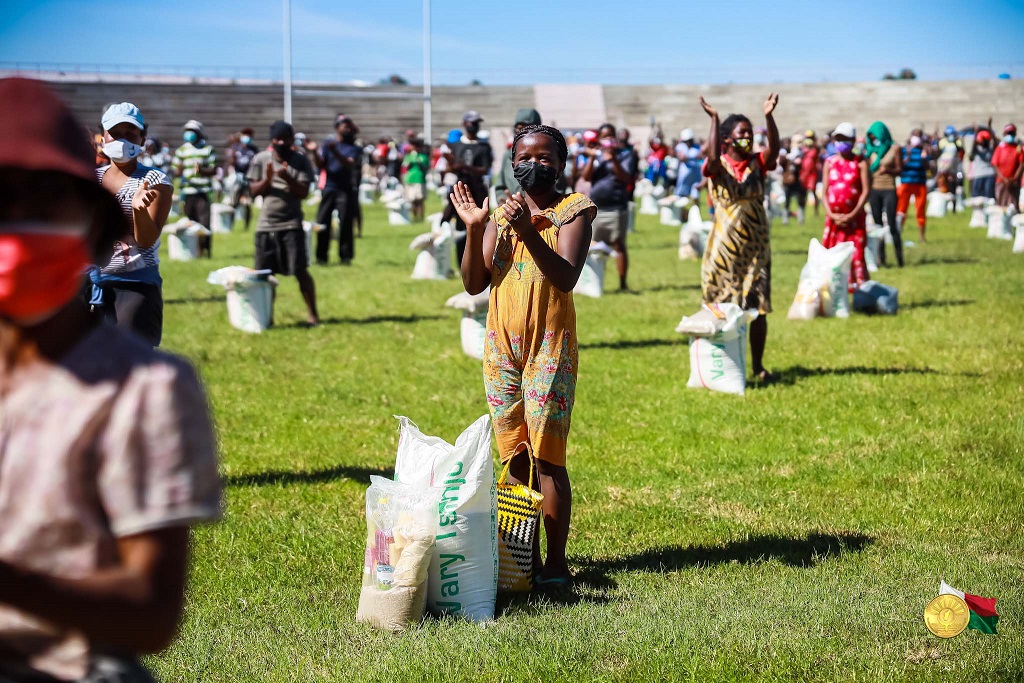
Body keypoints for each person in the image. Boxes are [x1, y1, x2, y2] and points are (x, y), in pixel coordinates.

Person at [0, 76, 221, 683]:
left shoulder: (146, 389)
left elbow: (151, 614)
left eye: (43, 206)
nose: (19, 229)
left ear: (83, 224)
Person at [453, 123, 596, 588]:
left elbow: (565, 276)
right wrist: (477, 230)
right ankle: (521, 561)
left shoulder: (573, 211)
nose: (534, 165)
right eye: (525, 157)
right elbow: (474, 283)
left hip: (549, 347)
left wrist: (526, 231)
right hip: (502, 349)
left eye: (545, 157)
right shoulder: (500, 213)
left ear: (561, 163)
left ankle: (555, 567)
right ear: (512, 164)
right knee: (515, 453)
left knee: (548, 456)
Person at [698, 92, 781, 383]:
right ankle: (721, 367)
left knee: (758, 308)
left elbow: (775, 148)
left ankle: (757, 366)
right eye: (741, 133)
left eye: (749, 132)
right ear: (727, 139)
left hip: (756, 246)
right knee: (720, 303)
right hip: (725, 248)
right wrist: (714, 119)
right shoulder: (717, 164)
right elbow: (709, 159)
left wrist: (768, 116)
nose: (747, 137)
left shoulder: (759, 162)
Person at [90, 102, 173, 348]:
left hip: (136, 285)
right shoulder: (90, 179)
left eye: (130, 133)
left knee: (132, 364)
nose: (122, 140)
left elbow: (146, 240)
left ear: (142, 138)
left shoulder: (154, 180)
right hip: (91, 284)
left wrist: (139, 211)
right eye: (115, 133)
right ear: (103, 136)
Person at [247, 120, 320, 326]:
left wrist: (287, 177)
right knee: (264, 275)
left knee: (300, 270)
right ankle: (265, 317)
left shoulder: (300, 161)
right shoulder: (261, 159)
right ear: (271, 140)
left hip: (291, 224)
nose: (281, 142)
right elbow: (253, 191)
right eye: (277, 139)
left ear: (291, 139)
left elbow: (304, 192)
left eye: (285, 139)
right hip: (266, 226)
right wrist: (268, 179)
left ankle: (313, 314)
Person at [582, 124, 636, 291]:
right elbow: (586, 176)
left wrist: (613, 158)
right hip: (596, 208)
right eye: (604, 136)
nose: (607, 140)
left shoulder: (626, 155)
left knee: (618, 245)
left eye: (610, 136)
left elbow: (625, 177)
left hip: (616, 207)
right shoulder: (596, 155)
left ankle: (623, 283)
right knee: (593, 246)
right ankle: (596, 284)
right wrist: (591, 157)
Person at [822, 122, 871, 288]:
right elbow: (824, 193)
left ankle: (857, 289)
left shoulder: (860, 163)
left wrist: (852, 214)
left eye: (845, 139)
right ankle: (834, 289)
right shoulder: (829, 162)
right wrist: (832, 215)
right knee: (833, 255)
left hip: (855, 219)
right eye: (838, 138)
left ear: (852, 141)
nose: (841, 142)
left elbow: (865, 191)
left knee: (855, 254)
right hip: (834, 220)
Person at [312, 114, 363, 265]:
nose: (346, 128)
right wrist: (314, 152)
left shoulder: (354, 148)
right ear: (337, 127)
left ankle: (345, 256)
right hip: (329, 188)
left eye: (348, 125)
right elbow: (321, 165)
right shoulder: (328, 144)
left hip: (345, 189)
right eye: (343, 125)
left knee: (346, 223)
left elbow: (349, 164)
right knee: (322, 222)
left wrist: (335, 151)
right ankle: (321, 256)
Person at [448, 111, 494, 266]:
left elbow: (484, 168)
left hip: (478, 192)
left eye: (476, 123)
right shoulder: (456, 145)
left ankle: (480, 262)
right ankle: (461, 262)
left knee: (481, 227)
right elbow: (451, 167)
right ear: (465, 124)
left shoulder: (483, 146)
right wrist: (454, 167)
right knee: (461, 228)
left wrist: (466, 167)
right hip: (460, 191)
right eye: (471, 123)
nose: (474, 126)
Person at [173, 119, 217, 256]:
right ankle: (193, 251)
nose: (189, 134)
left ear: (198, 133)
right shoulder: (181, 150)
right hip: (187, 192)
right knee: (190, 223)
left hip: (202, 192)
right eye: (187, 131)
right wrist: (179, 170)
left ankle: (206, 251)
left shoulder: (207, 150)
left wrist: (202, 171)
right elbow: (175, 171)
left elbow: (214, 170)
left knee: (204, 223)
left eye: (192, 132)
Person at [864, 121, 903, 267]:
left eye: (876, 137)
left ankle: (900, 259)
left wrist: (888, 171)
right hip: (875, 190)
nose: (874, 140)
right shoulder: (870, 151)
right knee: (877, 226)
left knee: (892, 225)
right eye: (872, 138)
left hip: (889, 189)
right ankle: (881, 259)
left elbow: (900, 170)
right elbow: (866, 172)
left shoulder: (894, 149)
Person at [493, 108, 542, 197]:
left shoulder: (546, 156)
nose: (523, 132)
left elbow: (557, 188)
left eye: (528, 128)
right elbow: (500, 187)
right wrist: (505, 203)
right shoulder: (508, 155)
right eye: (519, 128)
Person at [897, 129, 931, 242]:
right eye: (915, 135)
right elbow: (900, 166)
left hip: (920, 183)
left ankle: (922, 237)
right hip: (906, 182)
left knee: (920, 209)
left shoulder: (923, 150)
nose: (916, 138)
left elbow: (927, 167)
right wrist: (906, 158)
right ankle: (898, 234)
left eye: (918, 136)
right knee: (901, 209)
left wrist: (924, 157)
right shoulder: (904, 150)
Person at [226, 127, 259, 231]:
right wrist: (233, 158)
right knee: (233, 203)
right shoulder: (236, 148)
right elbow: (230, 163)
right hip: (238, 178)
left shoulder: (254, 149)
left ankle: (246, 227)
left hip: (249, 178)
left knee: (247, 204)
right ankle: (230, 225)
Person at [992, 123, 1023, 210]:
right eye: (1008, 133)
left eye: (1012, 133)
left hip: (1014, 182)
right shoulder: (1000, 148)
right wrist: (1003, 179)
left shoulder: (1018, 148)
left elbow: (1021, 164)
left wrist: (1014, 178)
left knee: (1013, 204)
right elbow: (995, 164)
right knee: (1002, 204)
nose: (1010, 135)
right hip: (1001, 182)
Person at [401, 137, 428, 222]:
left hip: (419, 179)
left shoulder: (423, 157)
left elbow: (424, 168)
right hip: (410, 179)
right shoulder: (408, 156)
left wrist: (417, 159)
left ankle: (421, 218)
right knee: (412, 201)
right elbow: (405, 167)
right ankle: (414, 218)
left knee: (420, 200)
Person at [968, 127, 997, 200]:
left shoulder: (991, 150)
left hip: (989, 175)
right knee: (977, 198)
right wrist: (976, 133)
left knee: (989, 198)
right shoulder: (976, 151)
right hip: (978, 175)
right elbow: (972, 149)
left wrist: (990, 127)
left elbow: (995, 142)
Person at [674, 128, 703, 200]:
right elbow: (682, 158)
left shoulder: (697, 147)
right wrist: (692, 157)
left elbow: (700, 156)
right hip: (684, 174)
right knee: (682, 195)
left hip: (695, 174)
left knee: (695, 195)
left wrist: (688, 157)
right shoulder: (680, 147)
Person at [799, 130, 821, 217]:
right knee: (803, 193)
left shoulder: (815, 148)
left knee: (813, 192)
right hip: (804, 173)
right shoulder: (803, 148)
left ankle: (816, 211)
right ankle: (802, 210)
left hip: (812, 173)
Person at [936, 125, 962, 195]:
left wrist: (955, 142)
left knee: (952, 179)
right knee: (942, 179)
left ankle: (952, 194)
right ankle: (943, 192)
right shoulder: (942, 141)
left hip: (953, 165)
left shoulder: (957, 142)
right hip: (943, 165)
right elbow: (939, 151)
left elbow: (960, 150)